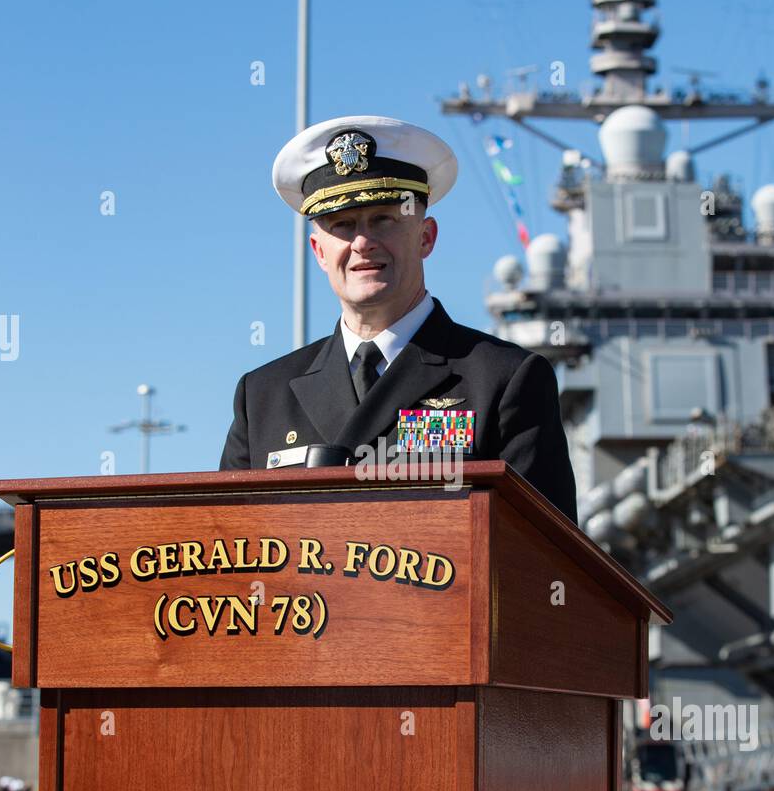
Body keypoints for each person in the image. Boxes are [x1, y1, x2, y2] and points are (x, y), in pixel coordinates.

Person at [219, 115, 578, 522]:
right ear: (319, 252)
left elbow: (544, 554)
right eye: (343, 225)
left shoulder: (504, 380)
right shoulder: (263, 396)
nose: (362, 243)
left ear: (426, 237)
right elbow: (230, 548)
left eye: (383, 219)